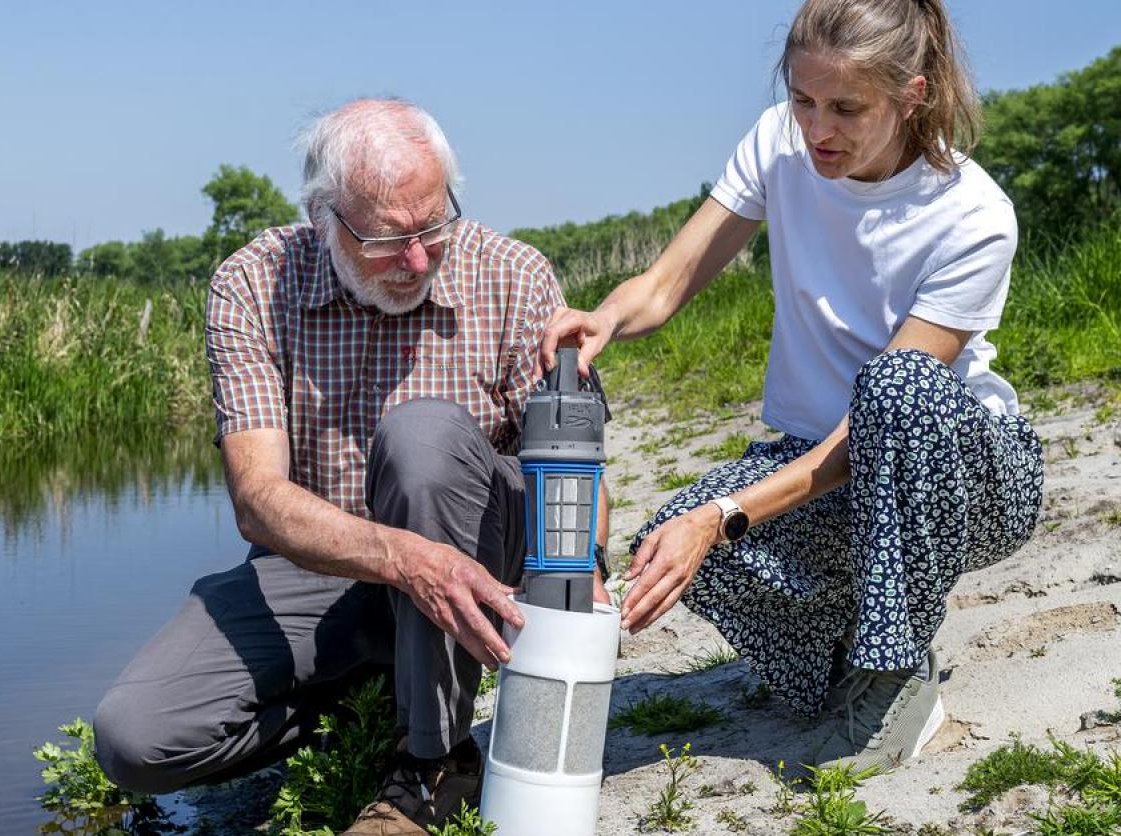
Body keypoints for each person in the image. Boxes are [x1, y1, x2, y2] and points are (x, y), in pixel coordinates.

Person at [542, 0, 1043, 773]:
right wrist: (603, 319)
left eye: (846, 108)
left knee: (894, 387)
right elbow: (667, 281)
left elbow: (873, 427)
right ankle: (852, 657)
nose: (817, 130)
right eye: (803, 99)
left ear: (911, 96)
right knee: (674, 544)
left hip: (967, 475)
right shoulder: (779, 143)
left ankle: (896, 678)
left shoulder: (975, 217)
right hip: (824, 459)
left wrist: (723, 515)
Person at [93, 97, 609, 834]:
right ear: (322, 217)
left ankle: (432, 766)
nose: (418, 259)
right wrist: (404, 560)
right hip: (322, 568)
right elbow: (258, 499)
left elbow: (573, 474)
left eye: (433, 225)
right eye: (388, 239)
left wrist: (584, 578)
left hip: (478, 559)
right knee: (134, 739)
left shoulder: (514, 275)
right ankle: (364, 703)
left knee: (421, 436)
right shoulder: (252, 284)